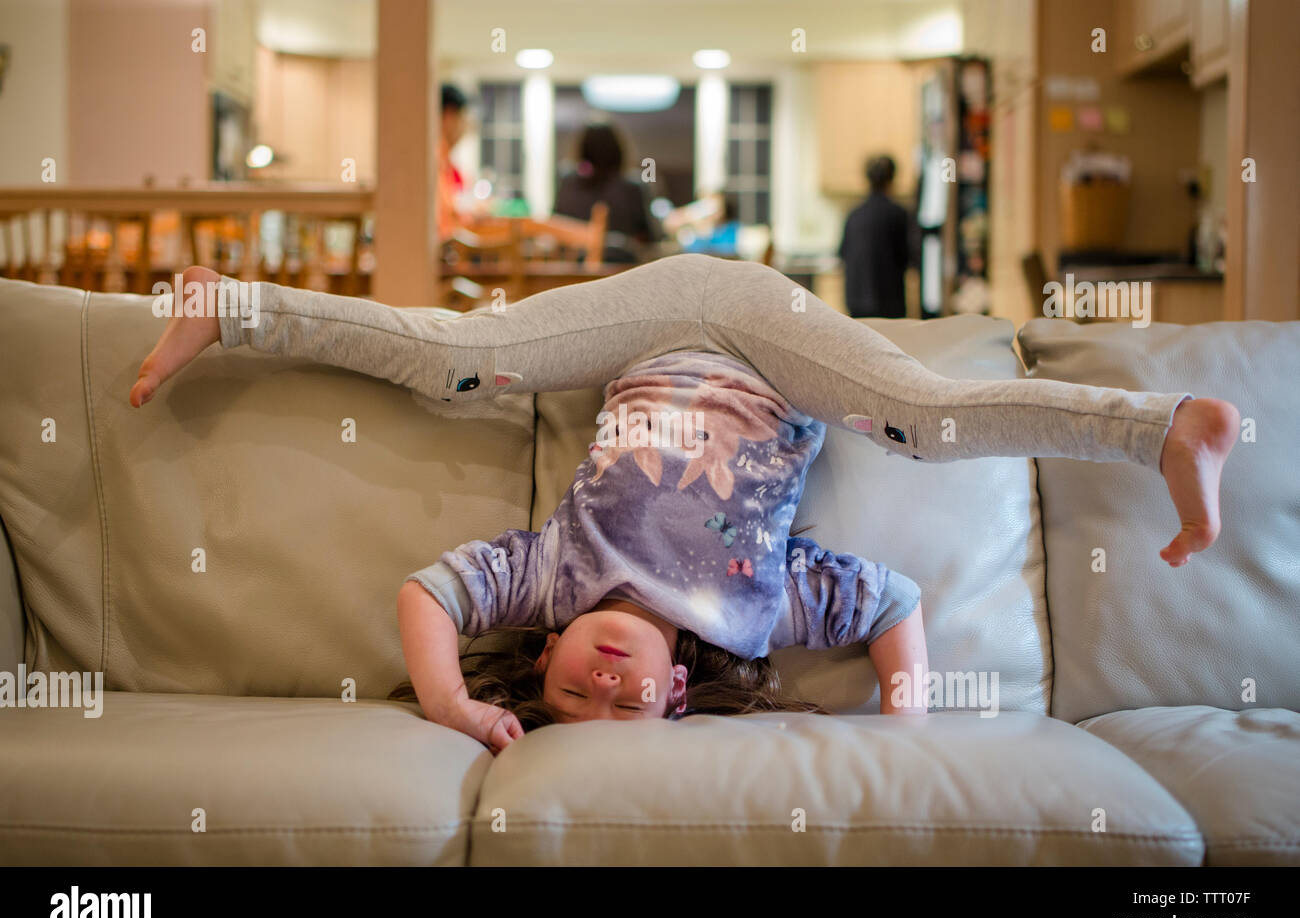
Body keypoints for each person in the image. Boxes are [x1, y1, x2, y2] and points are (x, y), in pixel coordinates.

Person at [129, 255, 1240, 756]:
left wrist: (452, 708)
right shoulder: (753, 616)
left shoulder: (550, 573)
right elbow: (889, 597)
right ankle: (1167, 425)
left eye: (573, 690)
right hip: (777, 353)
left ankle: (230, 303)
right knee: (924, 419)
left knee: (462, 356)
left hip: (664, 307)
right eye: (622, 704)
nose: (602, 681)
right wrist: (904, 717)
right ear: (672, 698)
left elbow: (427, 594)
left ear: (551, 644)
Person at [553, 123, 658, 263]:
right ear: (618, 150)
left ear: (583, 150)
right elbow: (651, 236)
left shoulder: (567, 183)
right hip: (621, 270)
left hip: (575, 270)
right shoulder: (633, 187)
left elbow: (555, 225)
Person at [839, 154, 910, 318]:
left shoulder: (853, 214)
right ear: (891, 180)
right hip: (889, 303)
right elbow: (906, 257)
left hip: (856, 301)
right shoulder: (898, 214)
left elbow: (842, 253)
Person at [437, 83, 474, 241]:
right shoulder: (434, 159)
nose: (465, 128)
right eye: (462, 119)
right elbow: (447, 212)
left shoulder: (447, 161)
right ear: (449, 116)